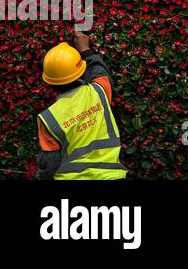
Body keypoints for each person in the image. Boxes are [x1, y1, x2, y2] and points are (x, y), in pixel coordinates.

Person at [36, 29, 125, 179]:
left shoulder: (48, 119)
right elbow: (99, 69)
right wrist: (85, 49)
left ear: (49, 82)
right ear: (82, 72)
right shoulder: (99, 91)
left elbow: (50, 163)